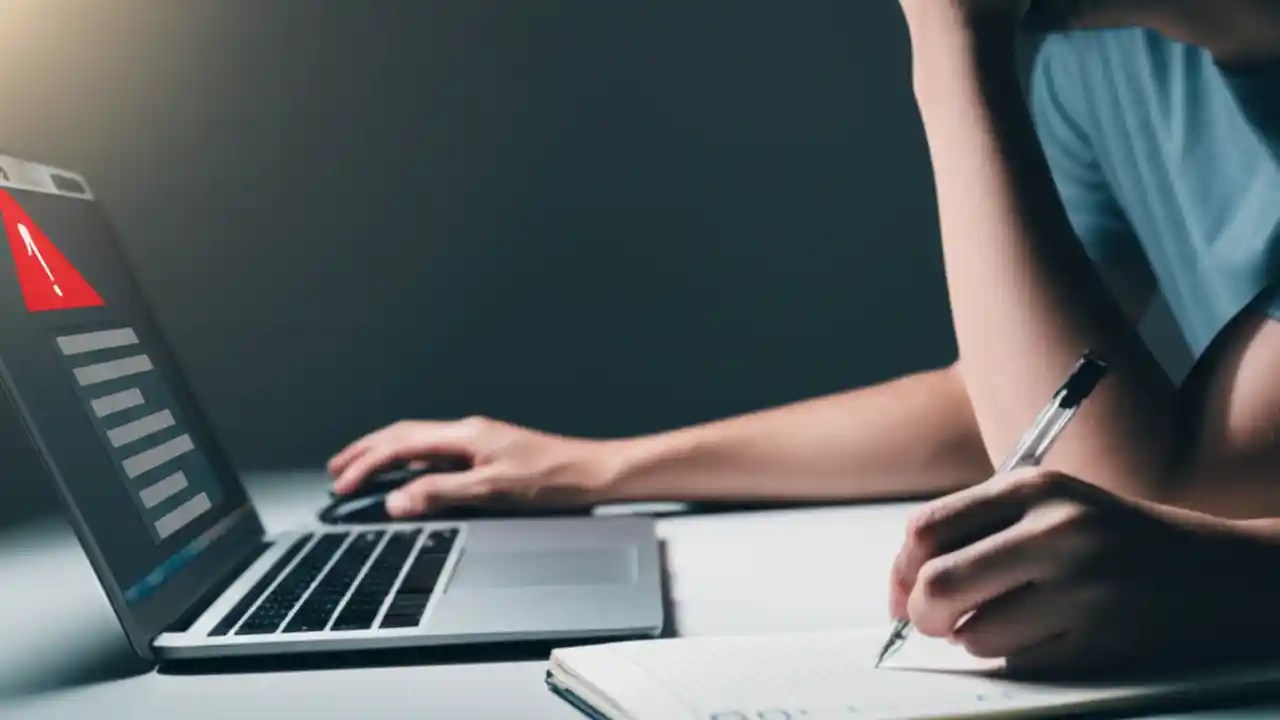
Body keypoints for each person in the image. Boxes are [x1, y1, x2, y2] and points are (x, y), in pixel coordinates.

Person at [330, 1, 1280, 671]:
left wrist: (950, 45)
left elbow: (1135, 495)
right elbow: (1013, 402)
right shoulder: (1109, 63)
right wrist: (599, 471)